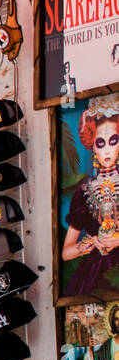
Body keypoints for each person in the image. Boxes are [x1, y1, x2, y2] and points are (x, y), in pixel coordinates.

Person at [62, 96, 119, 297]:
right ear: (92, 145)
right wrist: (90, 243)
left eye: (113, 141)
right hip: (94, 276)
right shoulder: (84, 192)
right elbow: (66, 253)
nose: (107, 150)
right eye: (100, 142)